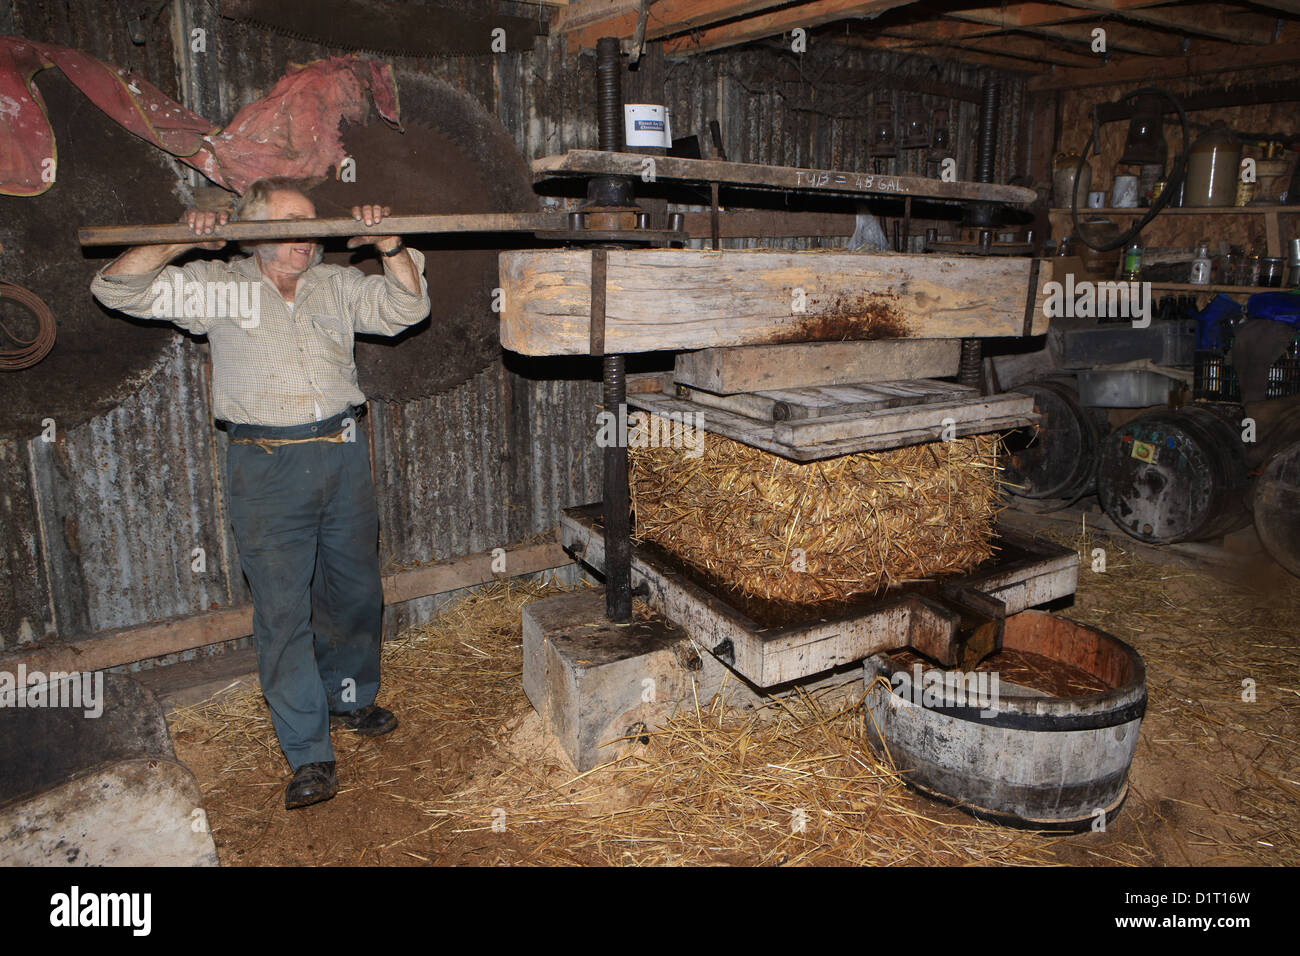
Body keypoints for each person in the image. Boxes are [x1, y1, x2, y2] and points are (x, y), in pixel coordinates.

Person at [90, 177, 431, 809]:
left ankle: (349, 698)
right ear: (253, 229)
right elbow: (114, 287)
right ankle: (307, 753)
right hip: (265, 466)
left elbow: (407, 310)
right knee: (281, 611)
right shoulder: (218, 285)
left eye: (311, 223)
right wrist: (174, 239)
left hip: (342, 455)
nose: (306, 236)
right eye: (291, 223)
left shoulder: (336, 285)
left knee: (355, 593)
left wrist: (391, 247)